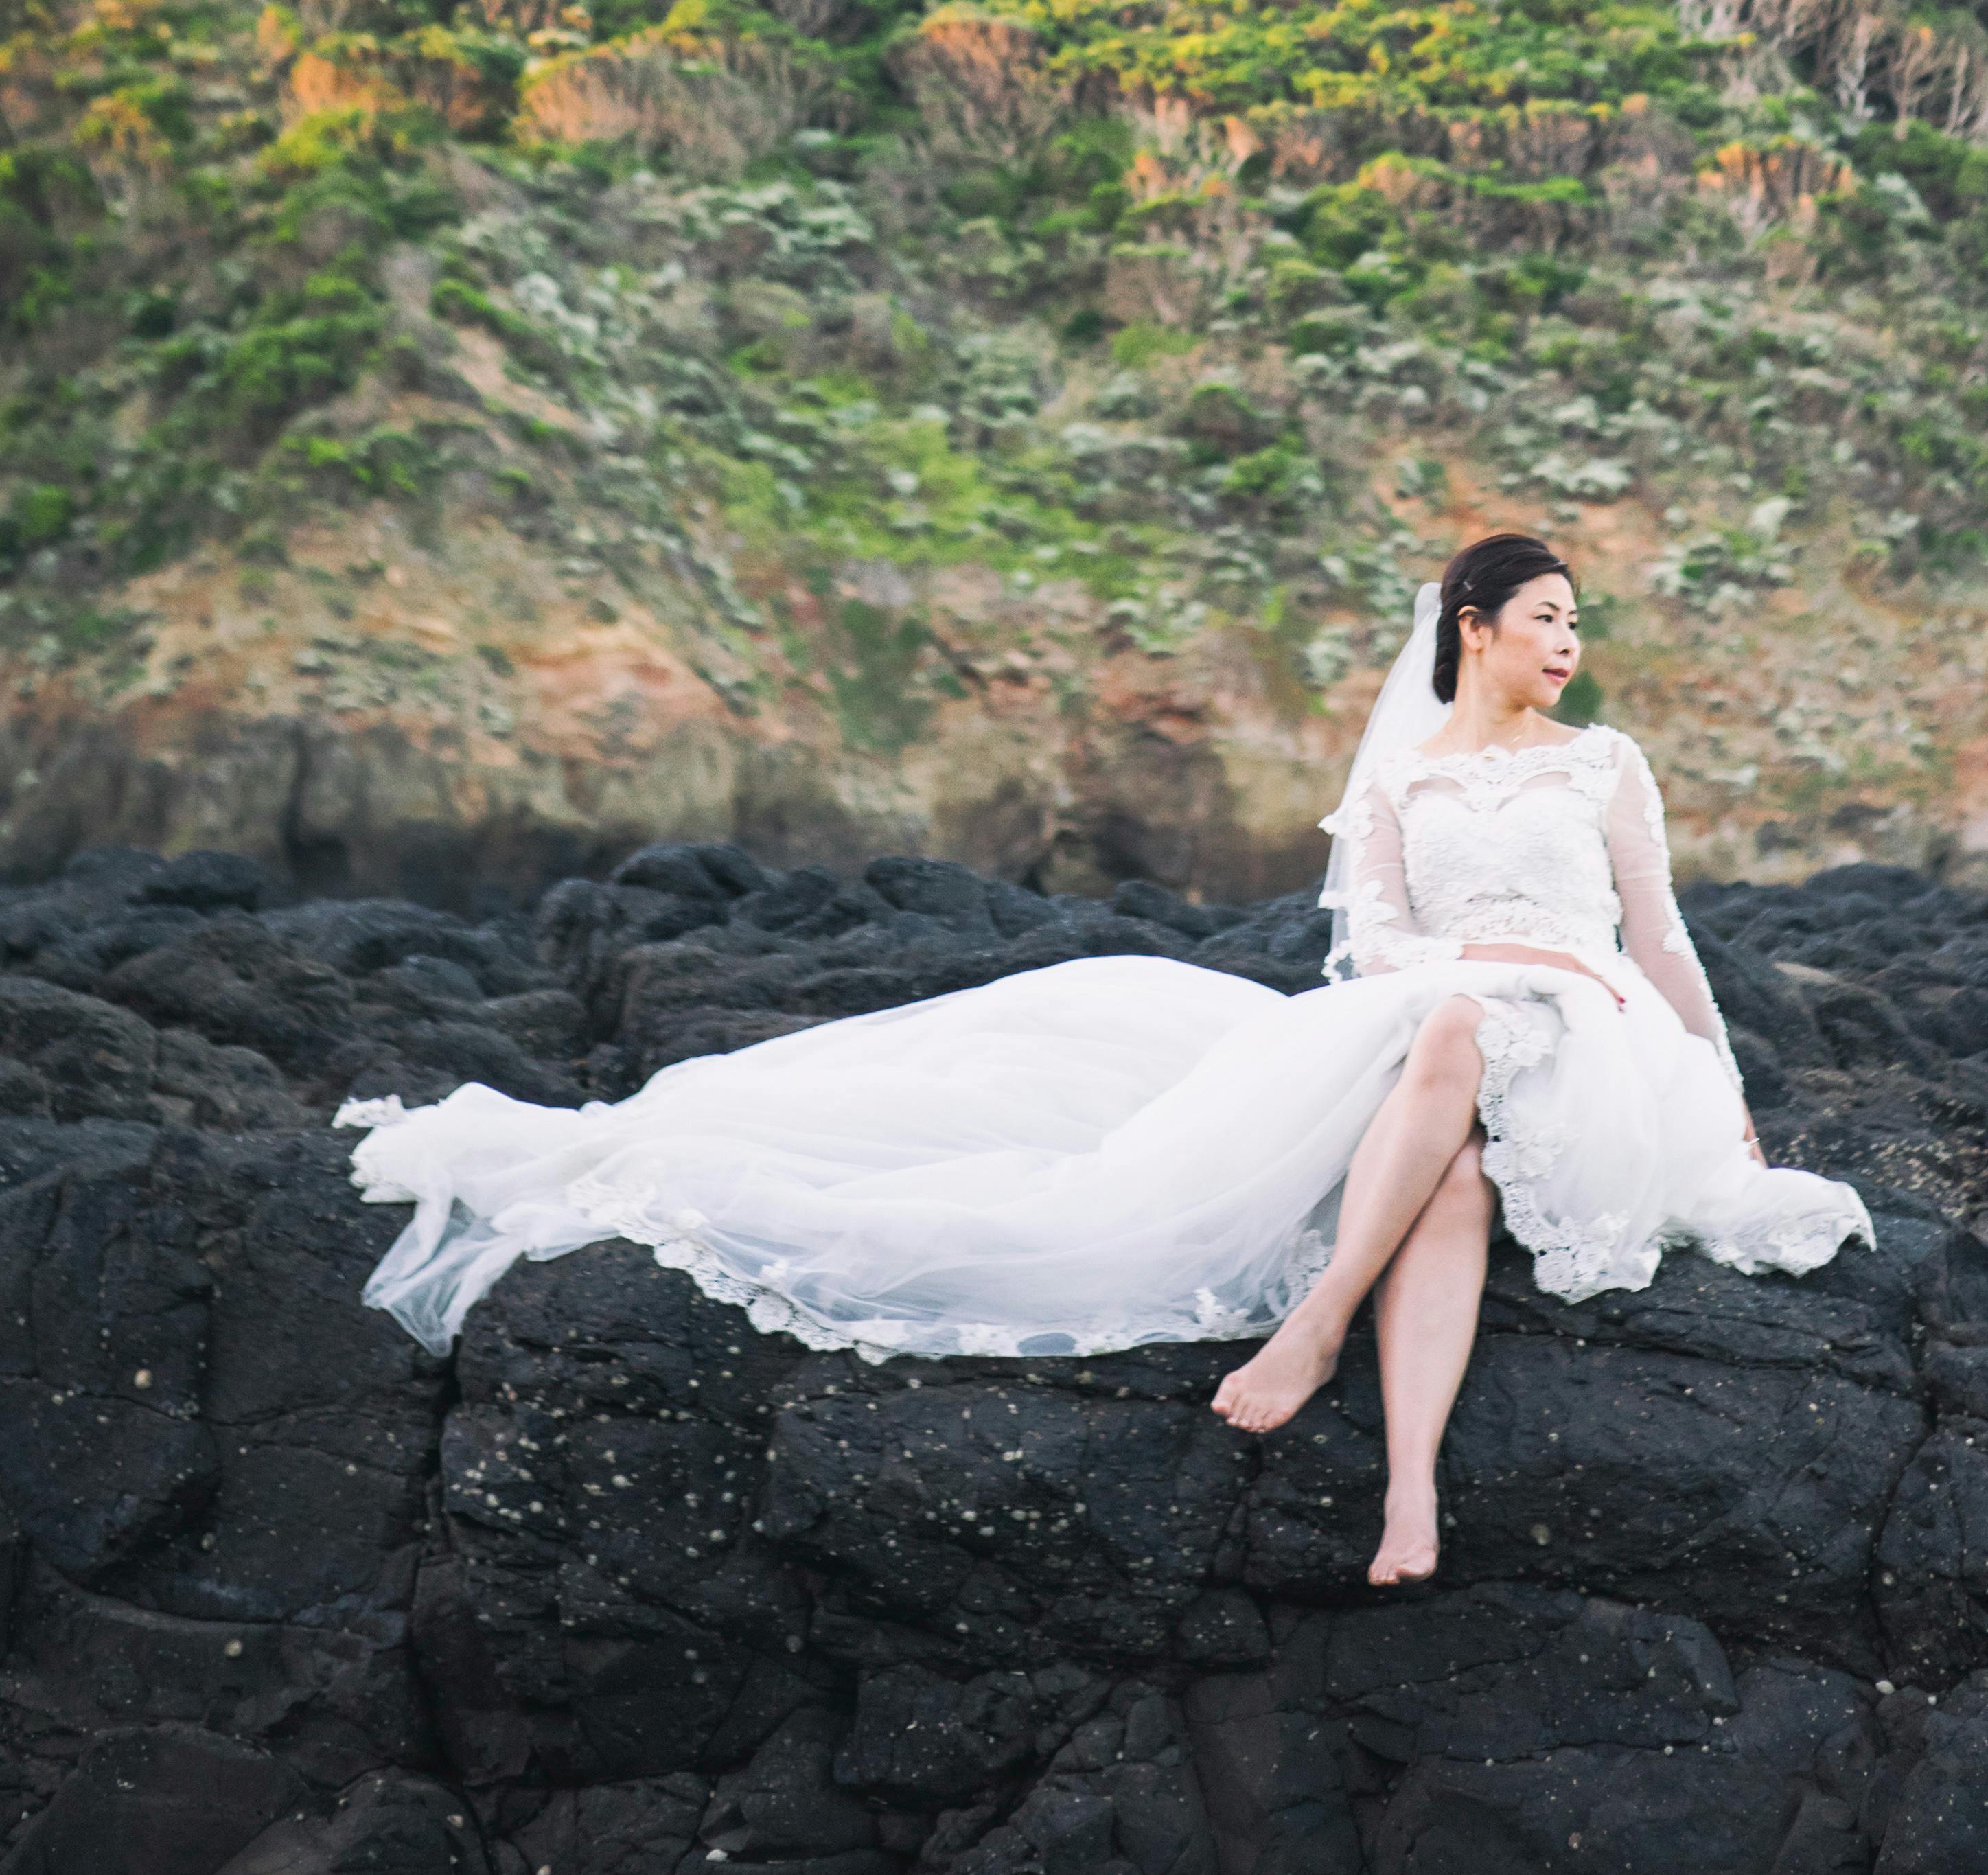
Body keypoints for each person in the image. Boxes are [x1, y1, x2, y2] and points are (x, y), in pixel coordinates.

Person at [341, 533, 1869, 1587]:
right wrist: (1478, 964)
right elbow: (1381, 948)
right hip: (1439, 1020)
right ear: (1473, 627)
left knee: (1465, 1036)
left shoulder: (1606, 764)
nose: (1570, 643)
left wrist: (1723, 1092)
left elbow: (1664, 942)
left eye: (1579, 624)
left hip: (1593, 1037)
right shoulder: (1400, 779)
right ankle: (1411, 1488)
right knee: (1453, 1154)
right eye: (1548, 617)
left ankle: (1320, 1320)